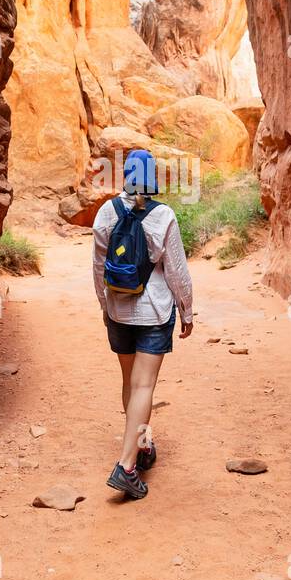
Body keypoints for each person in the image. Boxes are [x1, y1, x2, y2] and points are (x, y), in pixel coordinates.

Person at [93, 149, 193, 499]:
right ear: (153, 178)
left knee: (129, 382)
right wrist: (187, 310)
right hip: (154, 312)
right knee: (143, 386)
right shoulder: (163, 215)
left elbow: (98, 265)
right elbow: (177, 271)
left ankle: (144, 444)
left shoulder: (106, 211)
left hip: (119, 310)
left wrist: (104, 304)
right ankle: (127, 466)